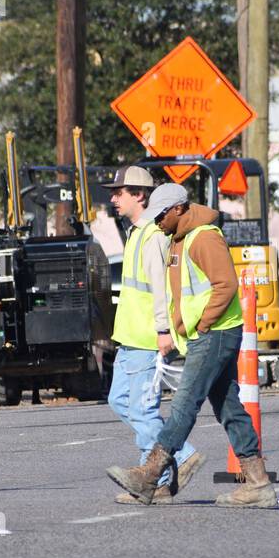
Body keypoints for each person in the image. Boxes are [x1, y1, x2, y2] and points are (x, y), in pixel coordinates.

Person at [107, 183, 278, 509]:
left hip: (215, 334)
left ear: (178, 209)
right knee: (228, 409)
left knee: (185, 404)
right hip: (208, 335)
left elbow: (226, 284)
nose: (156, 222)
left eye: (161, 216)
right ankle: (258, 483)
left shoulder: (204, 237)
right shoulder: (179, 238)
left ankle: (150, 474)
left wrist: (202, 324)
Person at [102, 166, 203, 503]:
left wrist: (163, 330)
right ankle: (171, 464)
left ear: (140, 195)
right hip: (130, 338)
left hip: (148, 338)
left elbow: (162, 289)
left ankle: (165, 469)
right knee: (120, 401)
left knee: (143, 411)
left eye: (121, 192)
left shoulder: (153, 236)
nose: (114, 198)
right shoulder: (136, 233)